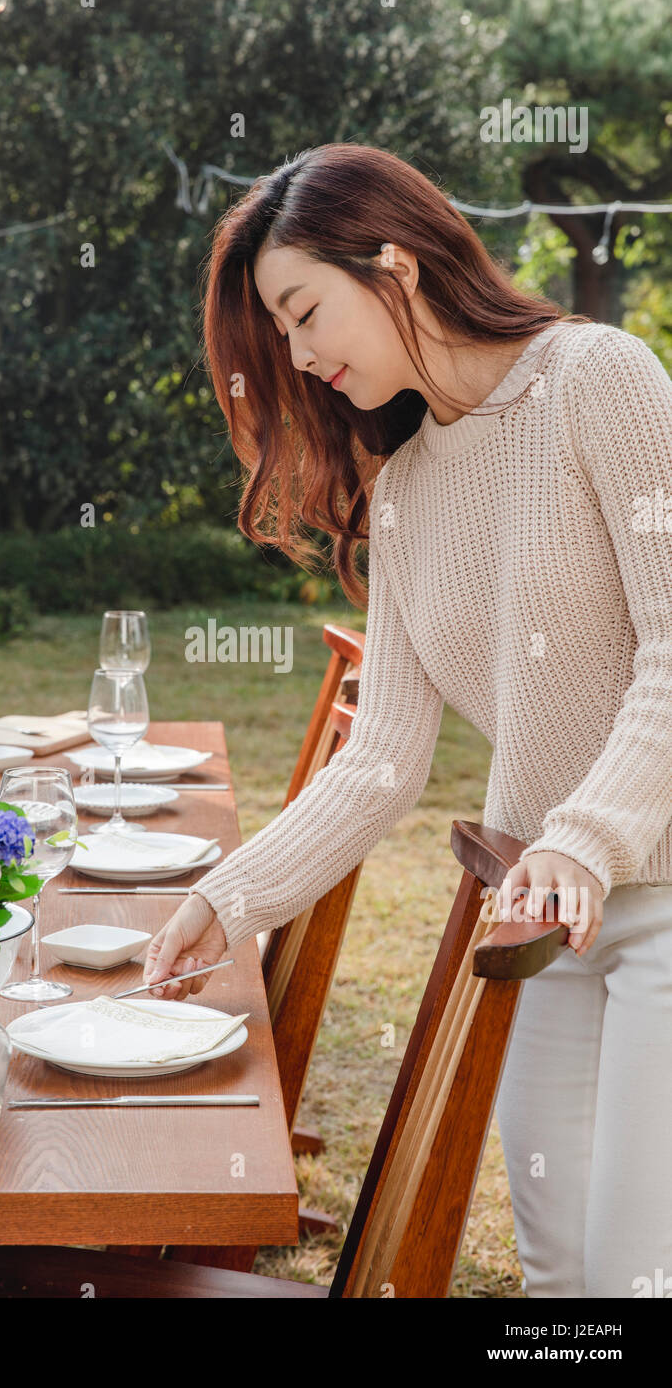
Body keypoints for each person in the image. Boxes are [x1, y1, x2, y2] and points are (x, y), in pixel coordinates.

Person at [142, 142, 672, 1298]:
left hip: (654, 898)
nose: (295, 354)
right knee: (560, 1272)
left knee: (638, 1274)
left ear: (393, 259)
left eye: (301, 311)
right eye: (277, 333)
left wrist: (583, 836)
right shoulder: (409, 490)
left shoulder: (598, 378)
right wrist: (219, 900)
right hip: (537, 918)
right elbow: (377, 759)